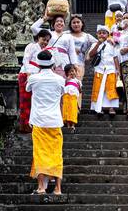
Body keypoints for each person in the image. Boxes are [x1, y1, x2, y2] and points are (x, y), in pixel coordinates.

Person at [27, 48, 65, 197]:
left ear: (38, 63)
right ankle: (58, 188)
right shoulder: (60, 79)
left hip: (38, 119)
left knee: (40, 152)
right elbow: (62, 92)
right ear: (52, 63)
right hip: (55, 120)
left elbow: (28, 88)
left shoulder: (33, 78)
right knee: (56, 153)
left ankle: (41, 187)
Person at [18, 26, 52, 133]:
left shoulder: (44, 51)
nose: (45, 42)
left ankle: (32, 124)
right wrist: (28, 74)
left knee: (34, 100)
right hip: (26, 74)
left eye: (47, 40)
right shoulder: (31, 46)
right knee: (25, 100)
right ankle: (24, 125)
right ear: (38, 38)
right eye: (44, 39)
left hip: (37, 77)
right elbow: (25, 60)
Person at [87, 25, 120, 118]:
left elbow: (115, 58)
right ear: (97, 34)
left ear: (108, 35)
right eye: (100, 33)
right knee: (99, 88)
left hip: (111, 69)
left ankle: (111, 108)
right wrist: (98, 43)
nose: (102, 35)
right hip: (99, 69)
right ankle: (98, 107)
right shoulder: (94, 44)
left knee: (111, 88)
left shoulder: (112, 44)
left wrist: (118, 70)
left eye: (104, 33)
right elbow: (91, 54)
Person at [68, 14, 95, 81]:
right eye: (74, 23)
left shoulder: (87, 36)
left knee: (77, 84)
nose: (76, 24)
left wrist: (88, 53)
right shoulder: (65, 34)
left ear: (82, 24)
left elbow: (98, 43)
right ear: (70, 25)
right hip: (66, 63)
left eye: (78, 22)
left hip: (79, 63)